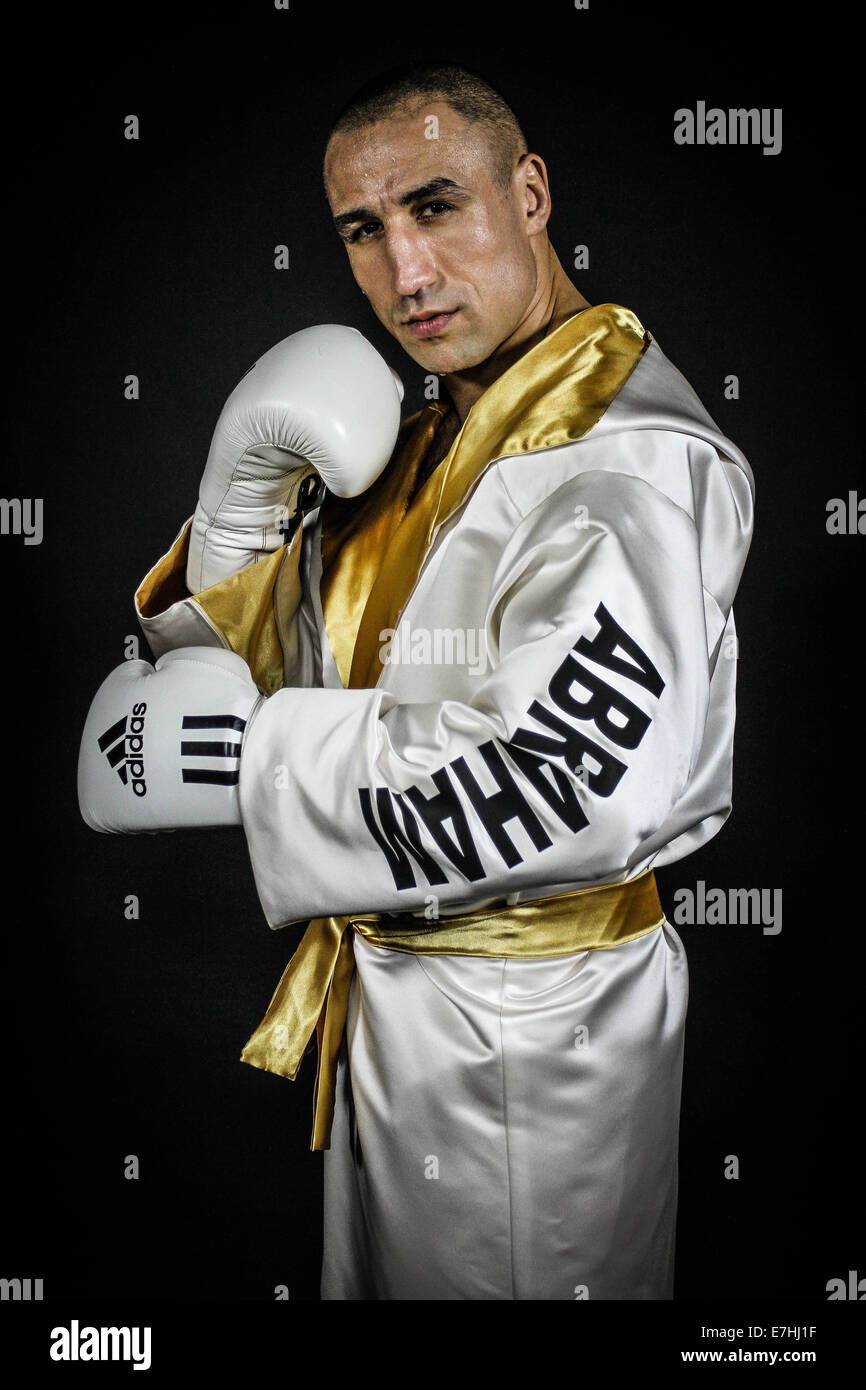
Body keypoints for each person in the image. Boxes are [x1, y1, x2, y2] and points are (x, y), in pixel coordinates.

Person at [78, 62, 754, 1300]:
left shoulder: (625, 468)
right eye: (362, 230)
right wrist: (235, 523)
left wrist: (251, 763)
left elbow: (564, 783)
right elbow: (247, 683)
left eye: (434, 206)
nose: (403, 272)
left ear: (530, 192)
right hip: (398, 997)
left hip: (534, 1027)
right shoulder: (430, 442)